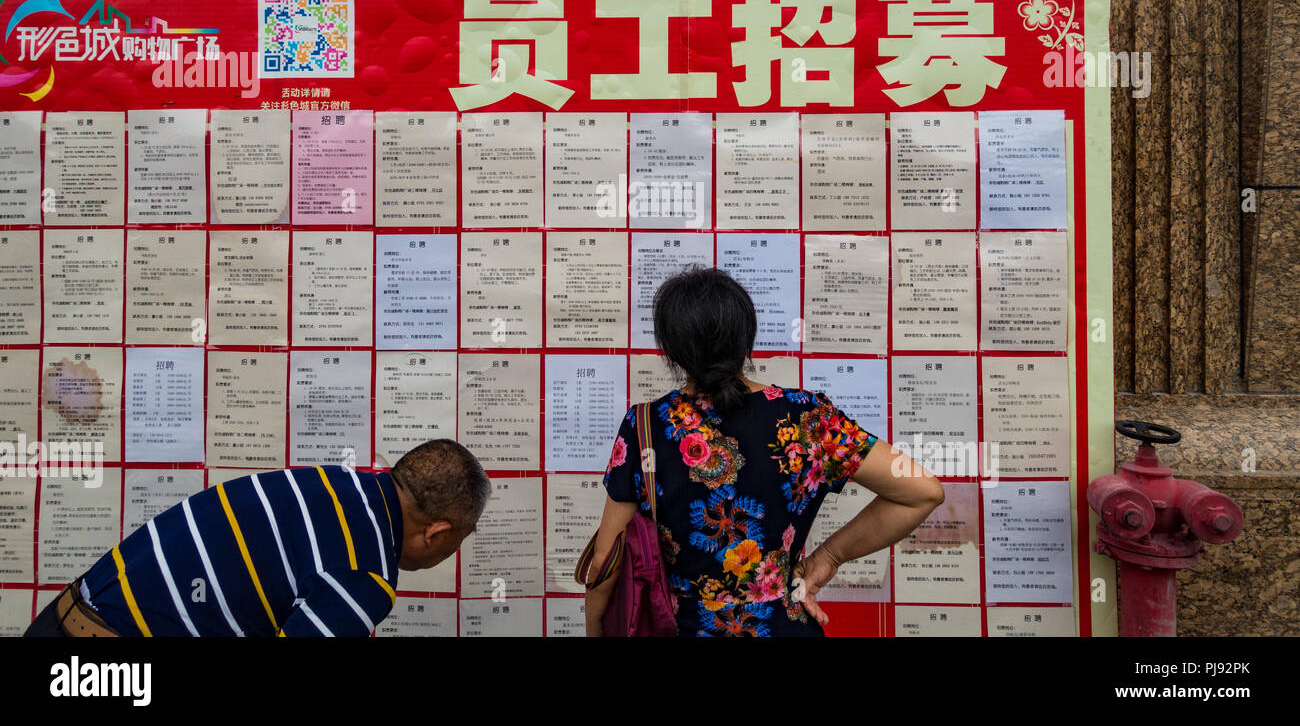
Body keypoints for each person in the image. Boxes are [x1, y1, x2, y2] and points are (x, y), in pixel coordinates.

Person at [585, 266, 945, 636]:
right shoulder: (807, 418)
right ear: (746, 340)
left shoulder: (646, 425)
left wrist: (594, 628)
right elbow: (923, 492)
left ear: (672, 352)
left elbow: (605, 563)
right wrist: (828, 558)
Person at [24, 439, 489, 637]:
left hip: (63, 617)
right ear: (438, 532)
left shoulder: (330, 482)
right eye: (459, 540)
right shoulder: (364, 574)